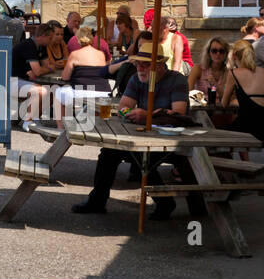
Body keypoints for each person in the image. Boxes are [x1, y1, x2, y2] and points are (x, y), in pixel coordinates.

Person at [72, 50, 204, 220]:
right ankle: (97, 201)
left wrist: (147, 115)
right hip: (144, 135)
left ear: (159, 65)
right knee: (109, 151)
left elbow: (178, 113)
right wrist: (130, 113)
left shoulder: (176, 79)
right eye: (138, 64)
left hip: (173, 136)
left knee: (141, 156)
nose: (140, 68)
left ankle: (165, 202)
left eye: (145, 64)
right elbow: (123, 107)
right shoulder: (137, 78)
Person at [221, 39, 264, 143]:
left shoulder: (233, 73)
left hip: (247, 130)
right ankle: (243, 160)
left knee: (216, 131)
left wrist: (235, 102)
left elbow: (224, 103)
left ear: (234, 56)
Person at [56, 25, 110, 122]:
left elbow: (65, 77)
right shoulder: (100, 54)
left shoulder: (75, 54)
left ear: (78, 39)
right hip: (104, 92)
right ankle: (99, 125)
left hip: (83, 91)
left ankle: (61, 128)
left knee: (58, 93)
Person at [12, 26, 53, 122]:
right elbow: (39, 70)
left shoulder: (42, 46)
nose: (51, 40)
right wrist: (47, 68)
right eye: (50, 38)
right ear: (43, 36)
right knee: (40, 91)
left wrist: (48, 68)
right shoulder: (28, 45)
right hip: (12, 80)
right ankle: (28, 122)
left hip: (25, 80)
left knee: (53, 91)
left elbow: (46, 66)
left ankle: (34, 118)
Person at [188, 37, 231, 103]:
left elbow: (229, 98)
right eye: (214, 51)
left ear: (226, 54)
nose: (218, 54)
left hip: (221, 108)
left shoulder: (229, 72)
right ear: (209, 53)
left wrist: (215, 85)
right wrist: (203, 101)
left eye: (221, 51)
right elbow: (188, 91)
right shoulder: (198, 68)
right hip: (201, 107)